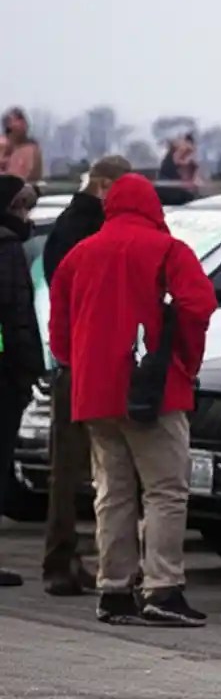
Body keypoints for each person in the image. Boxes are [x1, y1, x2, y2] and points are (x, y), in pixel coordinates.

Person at [49, 174, 216, 626]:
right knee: (165, 491)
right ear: (152, 206)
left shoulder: (78, 256)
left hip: (94, 394)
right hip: (152, 391)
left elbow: (60, 332)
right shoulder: (168, 251)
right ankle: (162, 587)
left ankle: (114, 589)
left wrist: (79, 365)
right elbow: (198, 306)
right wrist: (183, 361)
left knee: (113, 493)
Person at [41, 155, 132, 597]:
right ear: (103, 185)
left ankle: (64, 558)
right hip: (87, 362)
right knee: (103, 465)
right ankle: (67, 559)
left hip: (68, 361)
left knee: (69, 467)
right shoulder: (93, 230)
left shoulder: (64, 227)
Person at [0, 176, 41, 587]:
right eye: (22, 207)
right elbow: (14, 319)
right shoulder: (8, 249)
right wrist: (27, 368)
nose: (26, 216)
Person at [0, 108, 44, 183]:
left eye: (21, 119)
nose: (21, 123)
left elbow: (30, 177)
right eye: (17, 119)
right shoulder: (3, 144)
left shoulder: (31, 149)